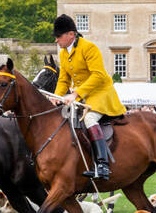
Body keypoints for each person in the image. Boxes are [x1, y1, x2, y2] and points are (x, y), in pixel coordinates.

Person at [53, 13, 126, 181]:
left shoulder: (89, 47)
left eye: (59, 36)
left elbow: (99, 75)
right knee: (62, 117)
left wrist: (76, 93)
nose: (56, 40)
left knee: (89, 119)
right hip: (83, 96)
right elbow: (63, 79)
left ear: (71, 34)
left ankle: (102, 165)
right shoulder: (64, 53)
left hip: (101, 93)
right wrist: (55, 97)